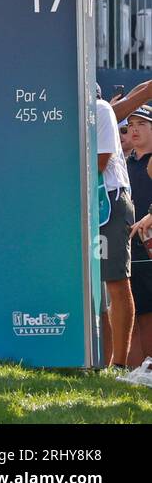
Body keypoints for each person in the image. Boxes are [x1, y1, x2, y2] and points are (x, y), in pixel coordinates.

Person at [96, 91, 137, 367]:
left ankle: (119, 365)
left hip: (110, 201)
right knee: (94, 290)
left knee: (116, 283)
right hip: (87, 204)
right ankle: (99, 362)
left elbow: (99, 161)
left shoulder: (100, 109)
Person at [122, 104, 152, 365]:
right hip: (129, 249)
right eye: (130, 125)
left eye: (141, 124)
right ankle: (134, 373)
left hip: (149, 247)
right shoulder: (123, 164)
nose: (134, 130)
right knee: (135, 311)